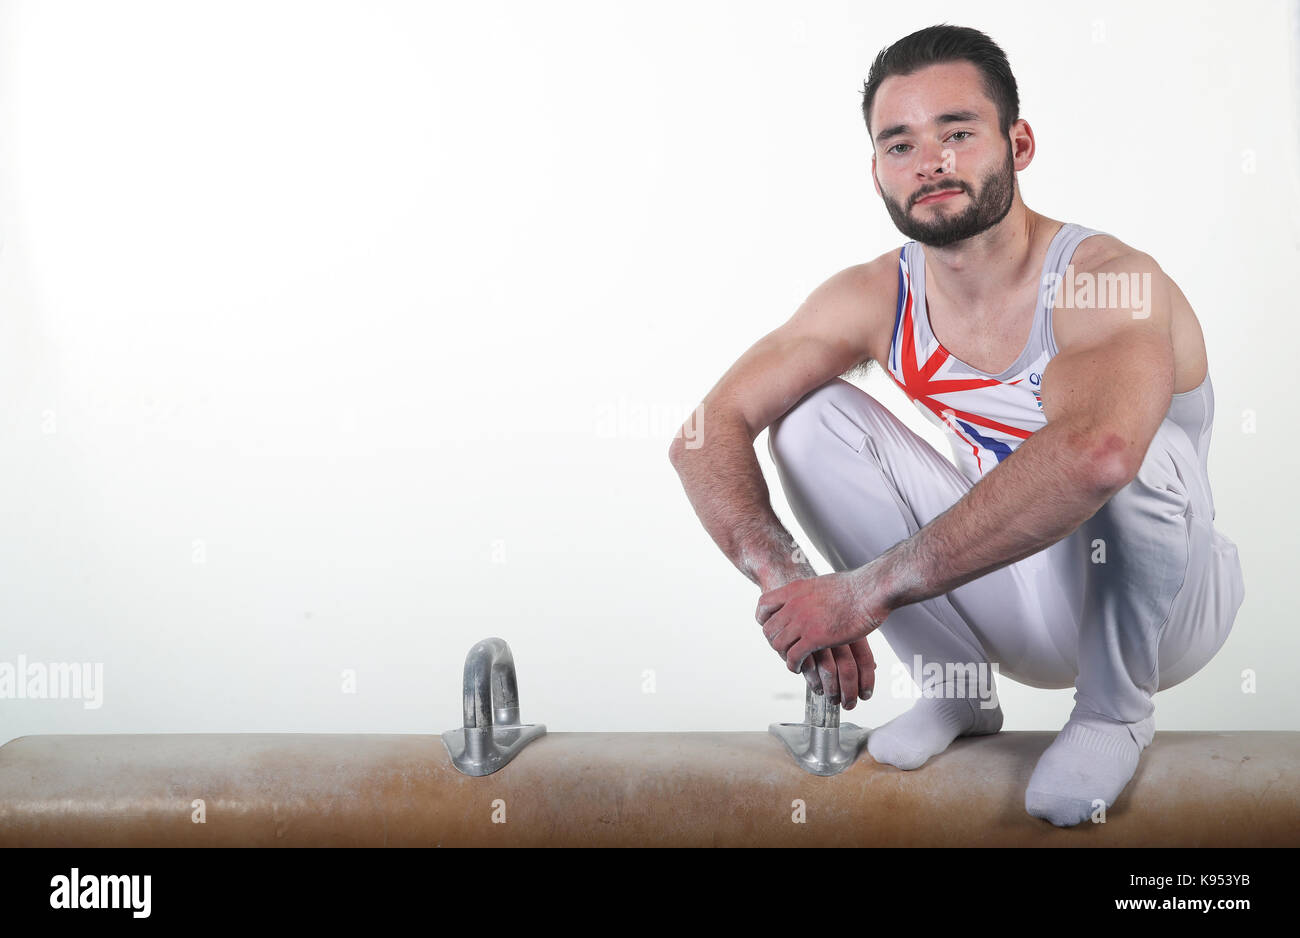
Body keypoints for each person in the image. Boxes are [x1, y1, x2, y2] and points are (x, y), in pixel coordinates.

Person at [667, 23, 1245, 827]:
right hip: (1007, 591)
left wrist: (862, 593)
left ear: (1019, 142)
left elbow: (1099, 454)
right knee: (803, 422)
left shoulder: (1105, 280)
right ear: (875, 171)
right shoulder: (873, 296)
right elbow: (705, 432)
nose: (929, 161)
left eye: (958, 133)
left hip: (1165, 608)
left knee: (1130, 448)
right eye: (898, 145)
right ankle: (956, 686)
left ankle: (1116, 712)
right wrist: (790, 583)